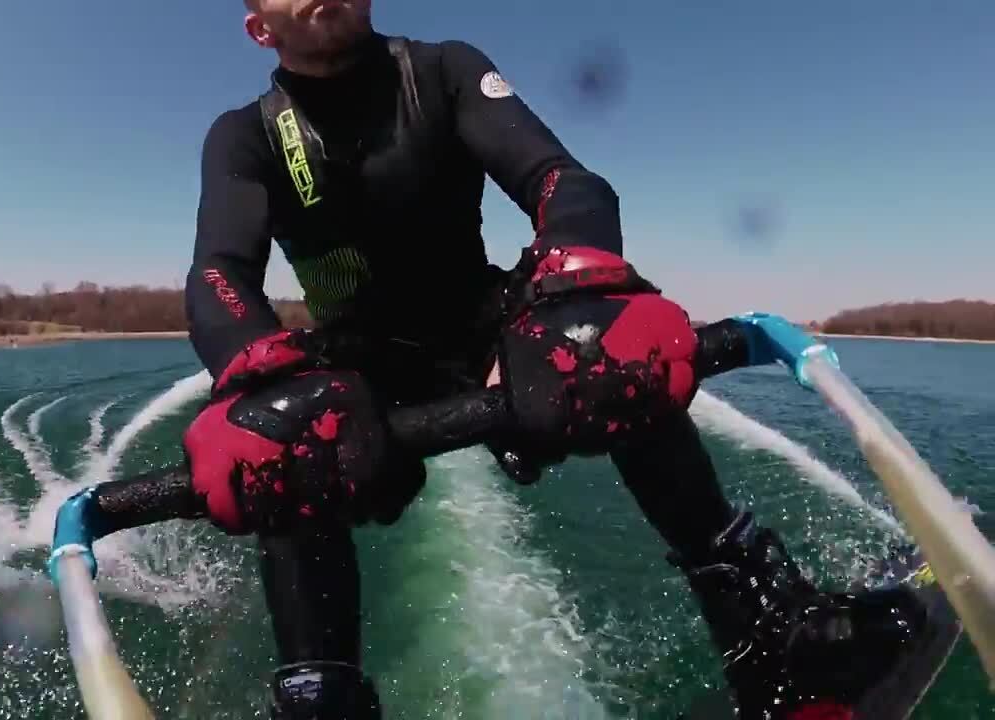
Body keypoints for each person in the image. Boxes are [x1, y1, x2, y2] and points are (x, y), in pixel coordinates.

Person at [179, 2, 930, 717]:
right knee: (283, 437)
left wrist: (579, 268)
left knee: (604, 345)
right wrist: (249, 362)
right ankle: (322, 699)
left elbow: (559, 179)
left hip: (482, 321)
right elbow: (220, 273)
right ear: (258, 29)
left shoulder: (441, 69)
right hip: (358, 359)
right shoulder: (243, 135)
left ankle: (771, 630)